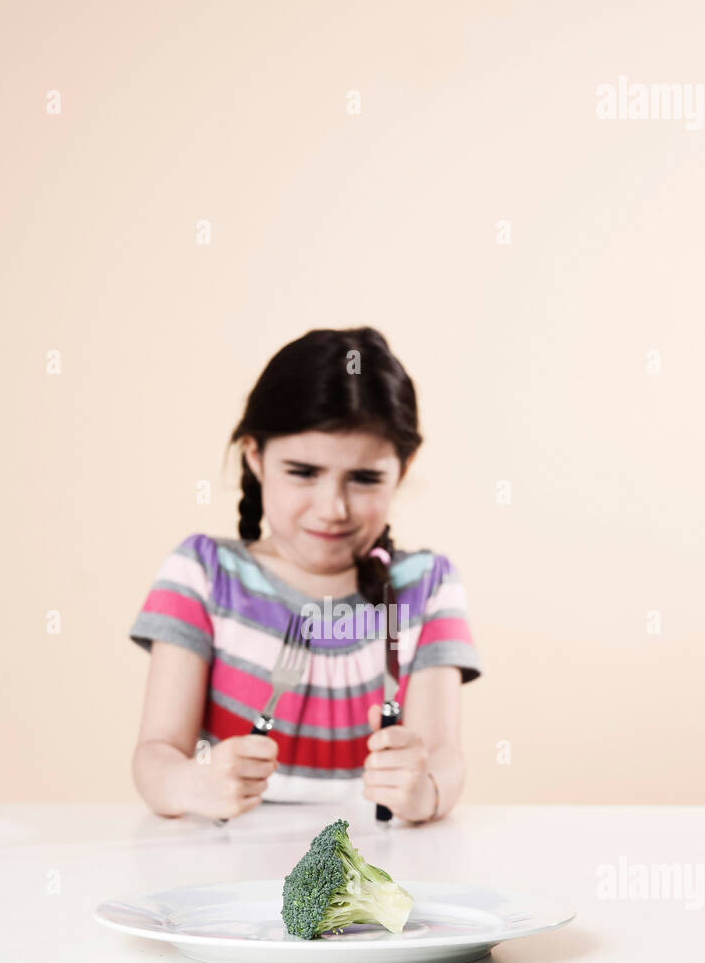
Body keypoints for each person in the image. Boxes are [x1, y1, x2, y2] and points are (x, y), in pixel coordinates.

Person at [128, 326, 482, 823]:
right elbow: (155, 755)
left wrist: (425, 790)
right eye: (303, 472)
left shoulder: (427, 587)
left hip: (380, 867)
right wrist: (192, 783)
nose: (332, 509)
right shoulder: (203, 574)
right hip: (228, 873)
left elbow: (445, 756)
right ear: (255, 457)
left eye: (364, 478)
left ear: (403, 469)